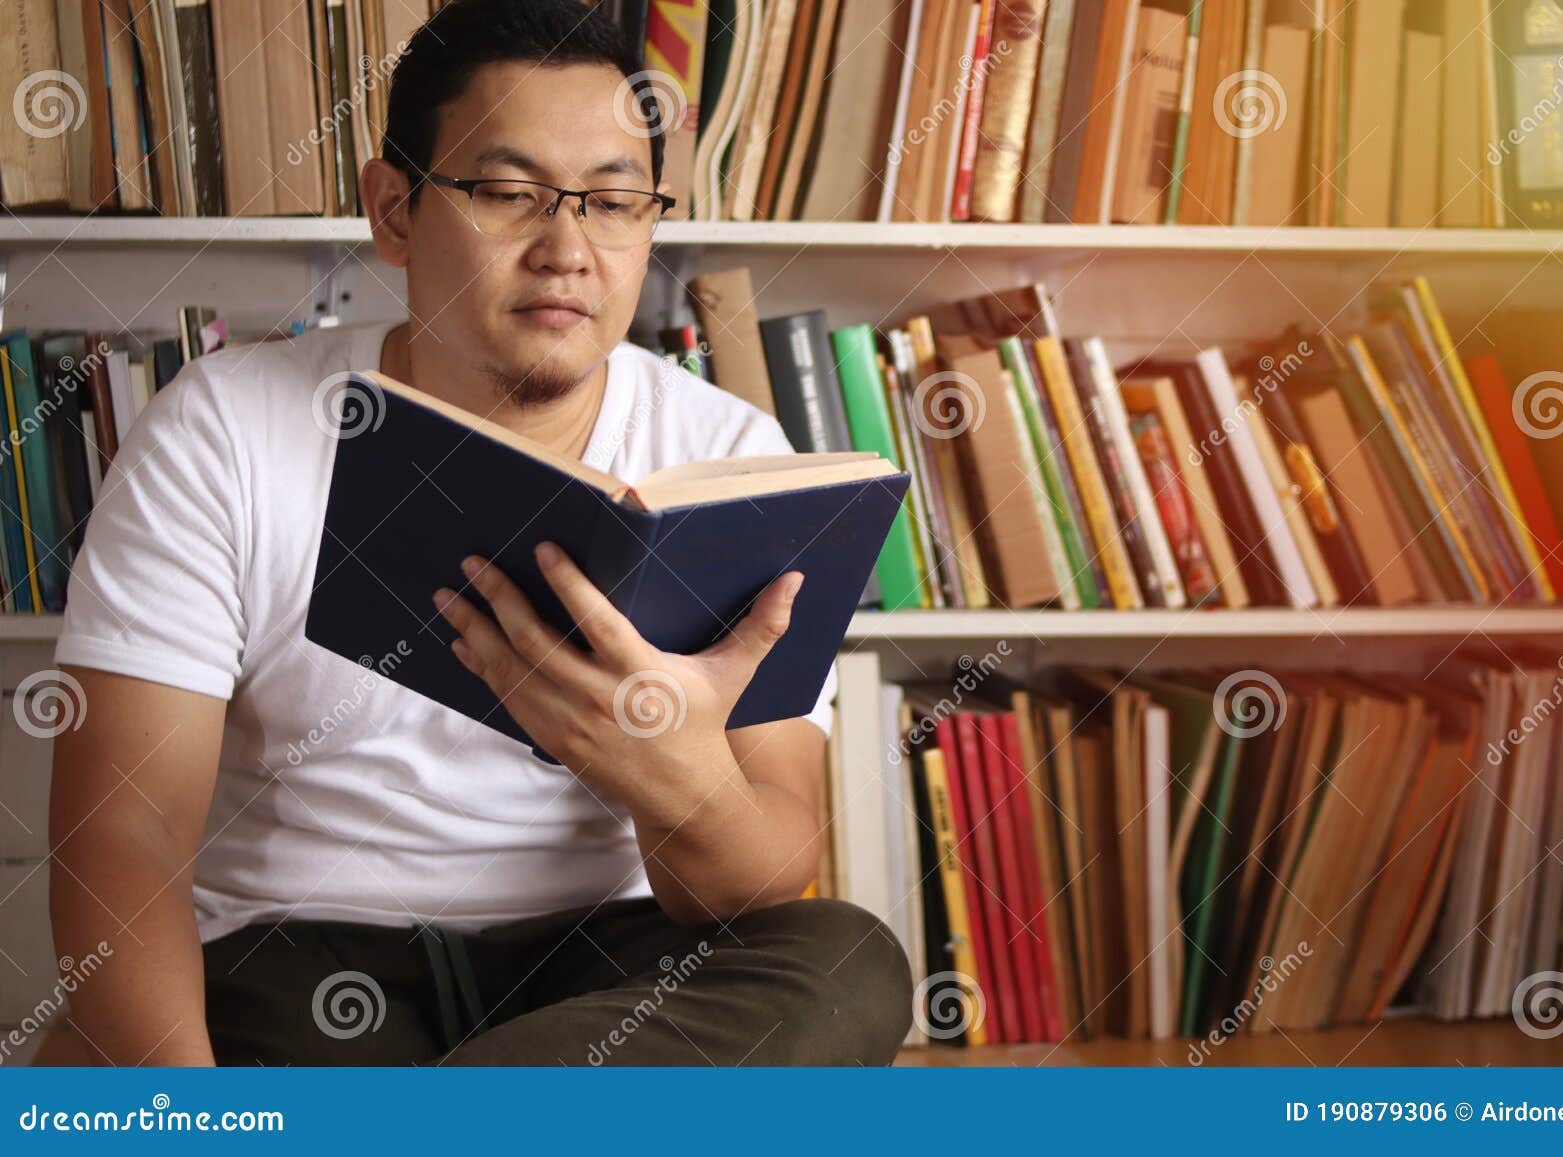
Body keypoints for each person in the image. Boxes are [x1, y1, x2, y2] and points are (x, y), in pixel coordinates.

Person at [38, 0, 910, 1067]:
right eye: (507, 193)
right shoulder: (224, 425)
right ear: (393, 210)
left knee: (846, 963)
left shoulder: (732, 454)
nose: (568, 249)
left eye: (614, 201)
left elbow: (749, 880)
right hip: (304, 967)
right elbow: (121, 834)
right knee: (132, 1046)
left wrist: (663, 768)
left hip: (606, 972)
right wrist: (189, 1109)